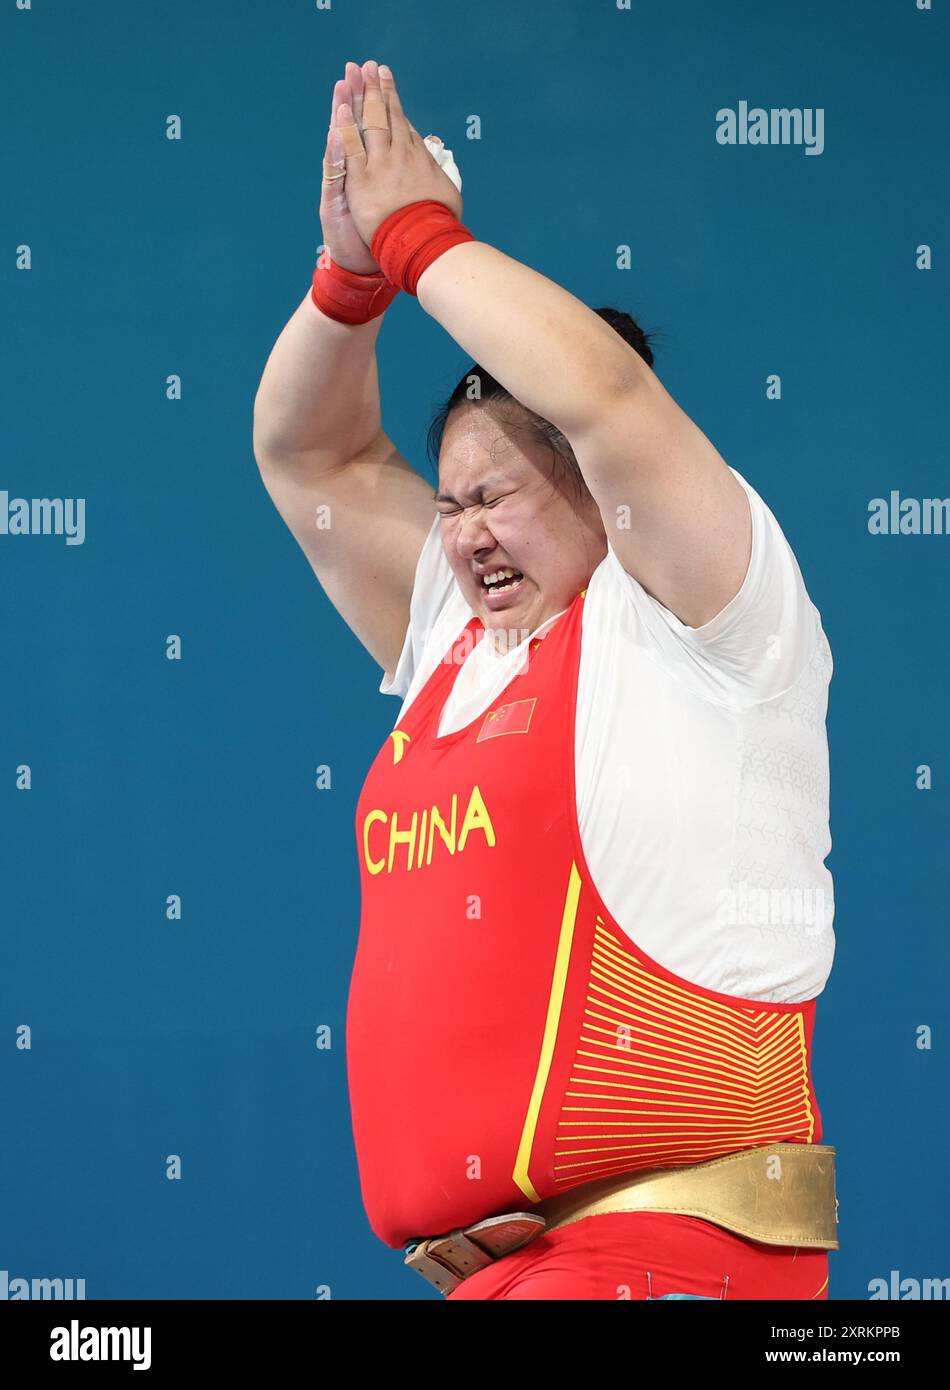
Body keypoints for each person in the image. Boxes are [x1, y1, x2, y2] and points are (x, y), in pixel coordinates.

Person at [253, 59, 838, 1301]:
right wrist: (349, 280)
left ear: (595, 487)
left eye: (497, 495)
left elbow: (611, 398)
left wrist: (422, 238)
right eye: (450, 499)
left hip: (676, 1256)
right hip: (516, 1277)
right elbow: (308, 456)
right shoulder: (458, 638)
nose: (460, 533)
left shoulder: (702, 616)